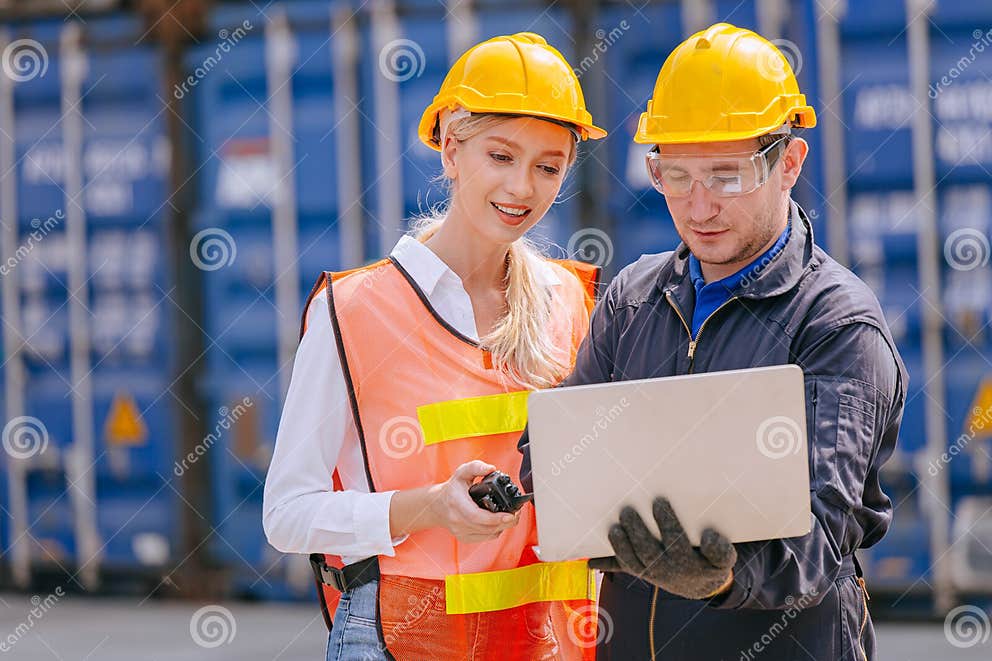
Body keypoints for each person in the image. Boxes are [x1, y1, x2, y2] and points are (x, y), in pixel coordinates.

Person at [518, 23, 907, 660]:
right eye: (674, 175)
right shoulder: (632, 298)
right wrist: (538, 471)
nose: (698, 207)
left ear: (789, 162)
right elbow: (560, 445)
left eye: (726, 177)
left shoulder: (835, 323)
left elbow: (822, 533)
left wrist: (722, 577)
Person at [263, 32, 607, 661]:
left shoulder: (572, 300)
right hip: (405, 640)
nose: (522, 188)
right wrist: (427, 508)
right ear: (450, 148)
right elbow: (286, 514)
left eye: (548, 165)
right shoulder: (354, 310)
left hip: (553, 639)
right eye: (500, 156)